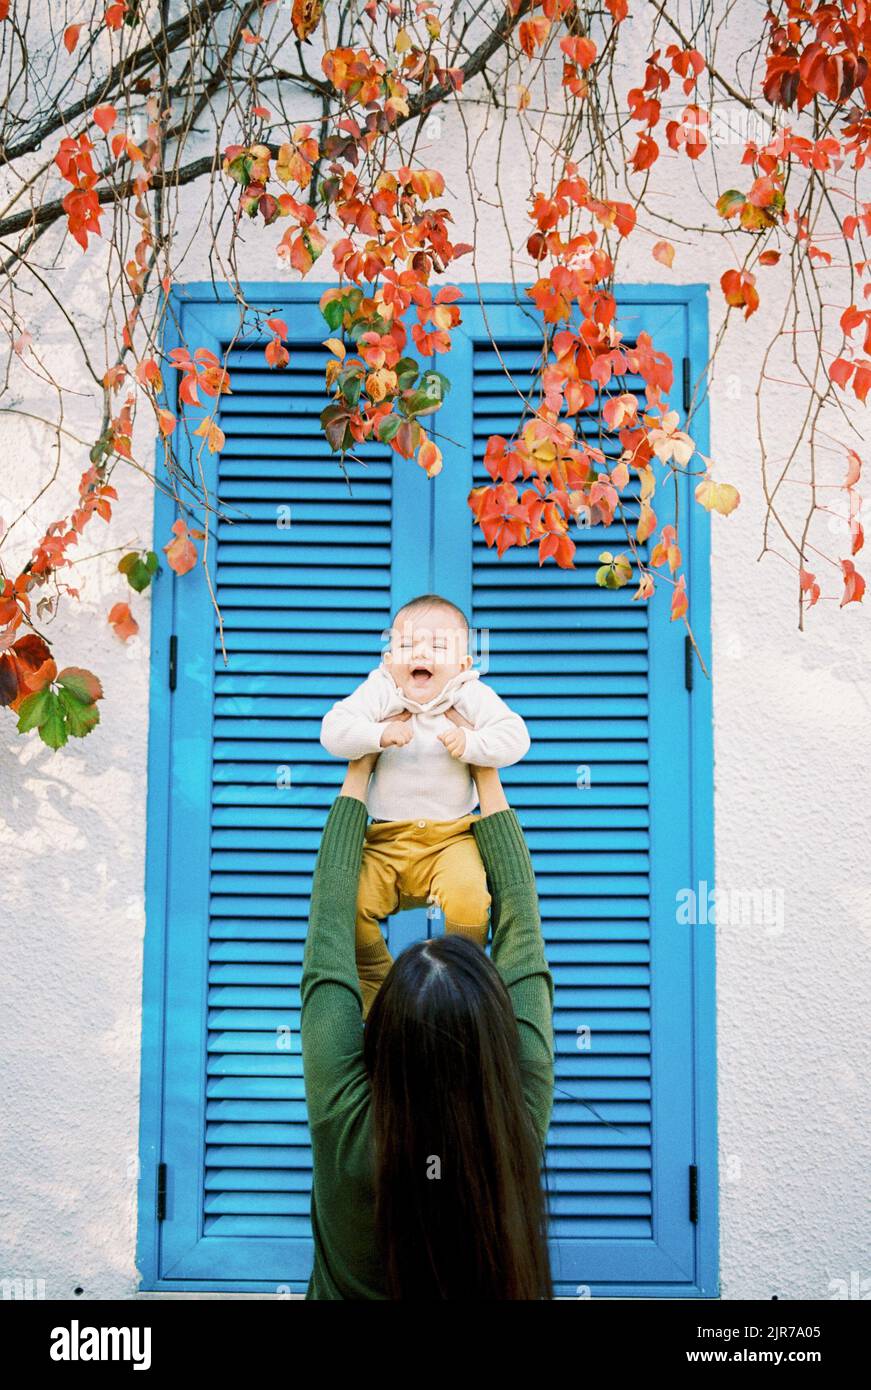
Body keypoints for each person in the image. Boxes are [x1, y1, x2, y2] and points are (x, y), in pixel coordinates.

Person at [299, 752, 555, 1299]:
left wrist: (359, 769)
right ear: (495, 1028)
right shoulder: (517, 1122)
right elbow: (523, 935)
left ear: (382, 1024)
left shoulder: (344, 1123)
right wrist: (483, 768)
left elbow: (329, 932)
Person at [319, 593, 530, 1017]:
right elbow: (333, 731)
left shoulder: (468, 694)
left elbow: (516, 738)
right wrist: (377, 735)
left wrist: (472, 743)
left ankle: (459, 978)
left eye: (438, 647)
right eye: (408, 645)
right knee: (350, 903)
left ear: (465, 663)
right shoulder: (381, 690)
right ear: (388, 657)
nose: (421, 654)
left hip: (451, 840)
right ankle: (375, 972)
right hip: (384, 839)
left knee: (472, 896)